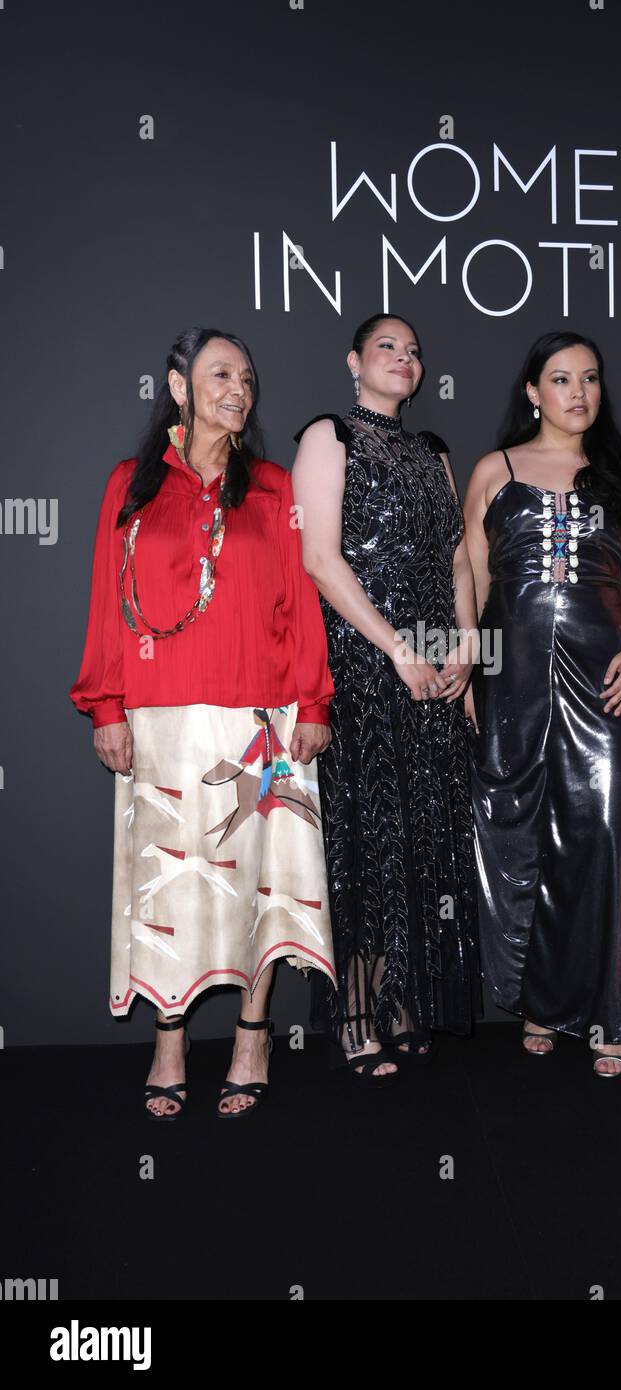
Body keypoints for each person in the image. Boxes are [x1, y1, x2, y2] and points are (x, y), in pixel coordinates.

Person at [70, 327, 335, 1118]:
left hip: (260, 723)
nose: (239, 390)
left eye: (248, 378)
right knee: (169, 890)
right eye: (221, 374)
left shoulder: (275, 487)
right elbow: (105, 605)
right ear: (179, 386)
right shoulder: (131, 484)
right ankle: (170, 1040)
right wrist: (106, 702)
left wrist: (313, 702)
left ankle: (254, 1035)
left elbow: (300, 598)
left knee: (261, 882)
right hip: (162, 724)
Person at [463, 331, 621, 1077]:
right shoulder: (494, 470)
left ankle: (612, 1007)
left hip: (603, 669)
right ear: (532, 392)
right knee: (520, 833)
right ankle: (542, 1000)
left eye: (589, 378)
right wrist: (472, 672)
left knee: (603, 830)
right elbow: (473, 582)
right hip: (511, 673)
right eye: (560, 379)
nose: (578, 392)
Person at [291, 313, 480, 1083]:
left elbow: (458, 557)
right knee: (369, 838)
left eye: (412, 351)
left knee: (426, 835)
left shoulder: (434, 452)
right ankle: (358, 1014)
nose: (404, 359)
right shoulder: (327, 436)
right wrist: (396, 648)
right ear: (354, 362)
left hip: (436, 669)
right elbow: (321, 560)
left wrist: (469, 641)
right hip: (368, 668)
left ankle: (406, 1001)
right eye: (386, 348)